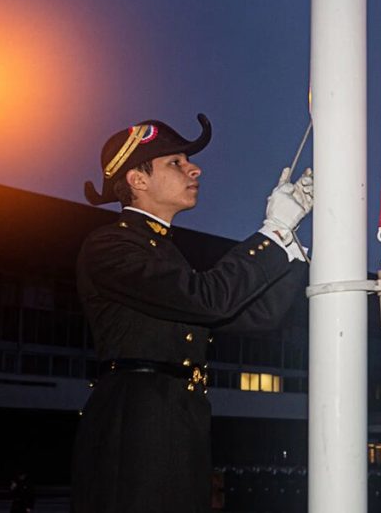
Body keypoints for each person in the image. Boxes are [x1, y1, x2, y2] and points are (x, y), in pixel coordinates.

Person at [72, 114, 312, 513]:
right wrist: (273, 231)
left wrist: (290, 243)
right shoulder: (110, 246)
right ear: (137, 180)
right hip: (135, 425)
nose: (193, 169)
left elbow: (256, 316)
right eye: (175, 162)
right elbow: (208, 300)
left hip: (177, 420)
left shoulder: (165, 252)